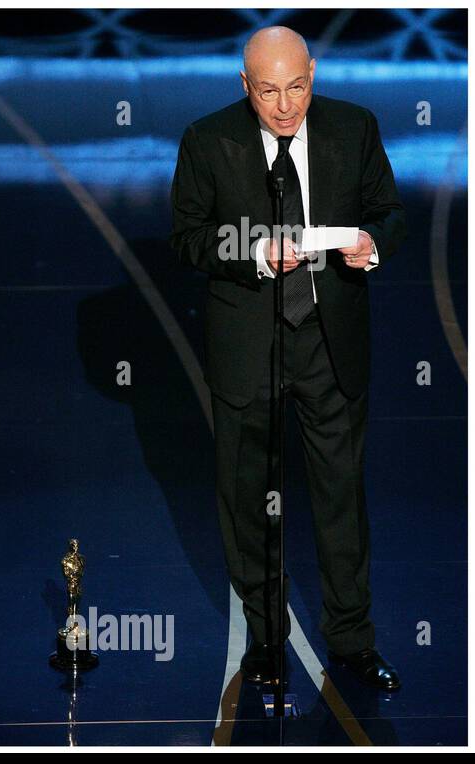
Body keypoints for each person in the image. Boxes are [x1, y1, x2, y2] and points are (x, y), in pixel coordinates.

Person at [170, 26, 406, 690]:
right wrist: (254, 253)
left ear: (314, 73)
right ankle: (267, 640)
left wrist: (371, 246)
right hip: (250, 349)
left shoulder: (354, 128)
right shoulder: (208, 139)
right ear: (245, 86)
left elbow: (391, 212)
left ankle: (353, 641)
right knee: (250, 501)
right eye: (268, 91)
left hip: (331, 347)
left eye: (296, 86)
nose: (284, 105)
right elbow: (186, 238)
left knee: (341, 499)